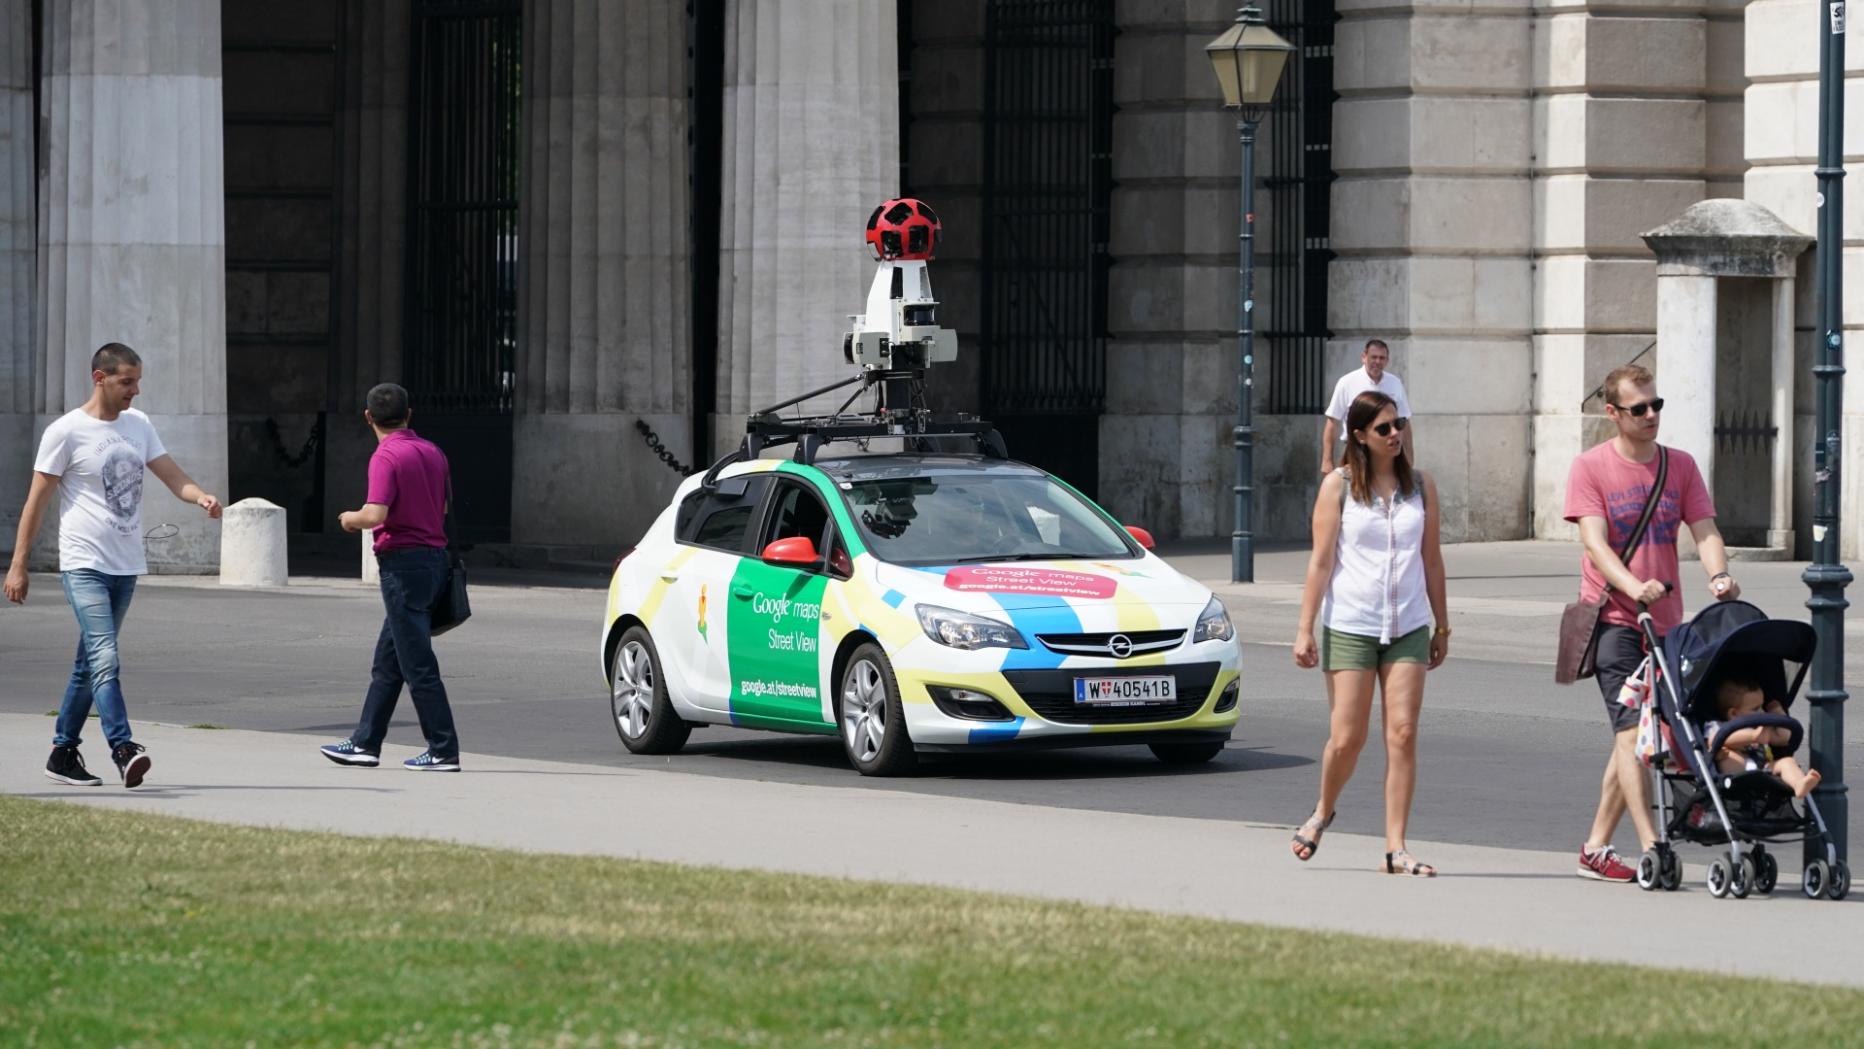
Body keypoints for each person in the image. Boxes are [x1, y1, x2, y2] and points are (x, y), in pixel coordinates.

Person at [5, 343, 222, 789]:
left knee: (90, 663)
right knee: (105, 656)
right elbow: (36, 502)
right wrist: (18, 564)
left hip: (125, 565)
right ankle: (123, 747)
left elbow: (171, 475)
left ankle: (62, 753)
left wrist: (200, 496)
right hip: (84, 563)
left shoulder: (138, 425)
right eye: (127, 381)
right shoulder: (66, 432)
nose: (135, 390)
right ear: (99, 378)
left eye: (137, 381)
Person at [1565, 363, 1740, 883]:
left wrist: (1719, 575)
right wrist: (1632, 585)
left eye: (1655, 405)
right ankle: (1653, 845)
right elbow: (1594, 544)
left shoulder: (1679, 466)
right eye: (1638, 408)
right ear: (1612, 412)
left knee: (1644, 735)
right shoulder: (1590, 467)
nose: (1650, 415)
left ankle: (1595, 847)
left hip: (1666, 625)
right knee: (1631, 735)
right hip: (1614, 619)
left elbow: (1705, 529)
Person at [1291, 390, 1450, 876]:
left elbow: (1432, 560)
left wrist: (1442, 624)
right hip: (1351, 624)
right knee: (1347, 738)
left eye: (1398, 424)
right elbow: (1321, 562)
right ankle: (1323, 811)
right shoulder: (1338, 487)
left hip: (1408, 624)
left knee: (1402, 733)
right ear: (1359, 435)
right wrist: (1304, 629)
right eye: (1384, 428)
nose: (1395, 434)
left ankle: (1396, 848)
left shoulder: (1421, 487)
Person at [319, 383, 462, 772]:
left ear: (368, 417)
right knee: (389, 662)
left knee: (417, 664)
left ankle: (443, 748)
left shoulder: (386, 456)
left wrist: (349, 519)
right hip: (434, 561)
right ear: (408, 414)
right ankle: (365, 742)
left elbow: (375, 514)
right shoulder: (432, 451)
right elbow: (443, 507)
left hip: (403, 565)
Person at [1707, 665, 1820, 799]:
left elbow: (1784, 738)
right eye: (1755, 709)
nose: (1762, 712)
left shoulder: (1762, 728)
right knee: (1724, 754)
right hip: (1738, 772)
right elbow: (1713, 741)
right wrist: (1753, 736)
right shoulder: (1717, 726)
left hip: (1764, 768)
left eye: (1762, 706)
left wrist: (1777, 711)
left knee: (1788, 762)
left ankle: (1799, 784)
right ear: (1734, 713)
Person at [1321, 339, 1413, 474]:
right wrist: (1327, 460)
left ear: (1387, 361)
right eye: (1373, 357)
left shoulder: (1395, 383)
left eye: (1382, 358)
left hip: (1387, 451)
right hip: (1357, 450)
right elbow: (1332, 422)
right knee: (1354, 486)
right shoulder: (1347, 382)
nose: (1377, 361)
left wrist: (1409, 458)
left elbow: (1405, 422)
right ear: (1364, 357)